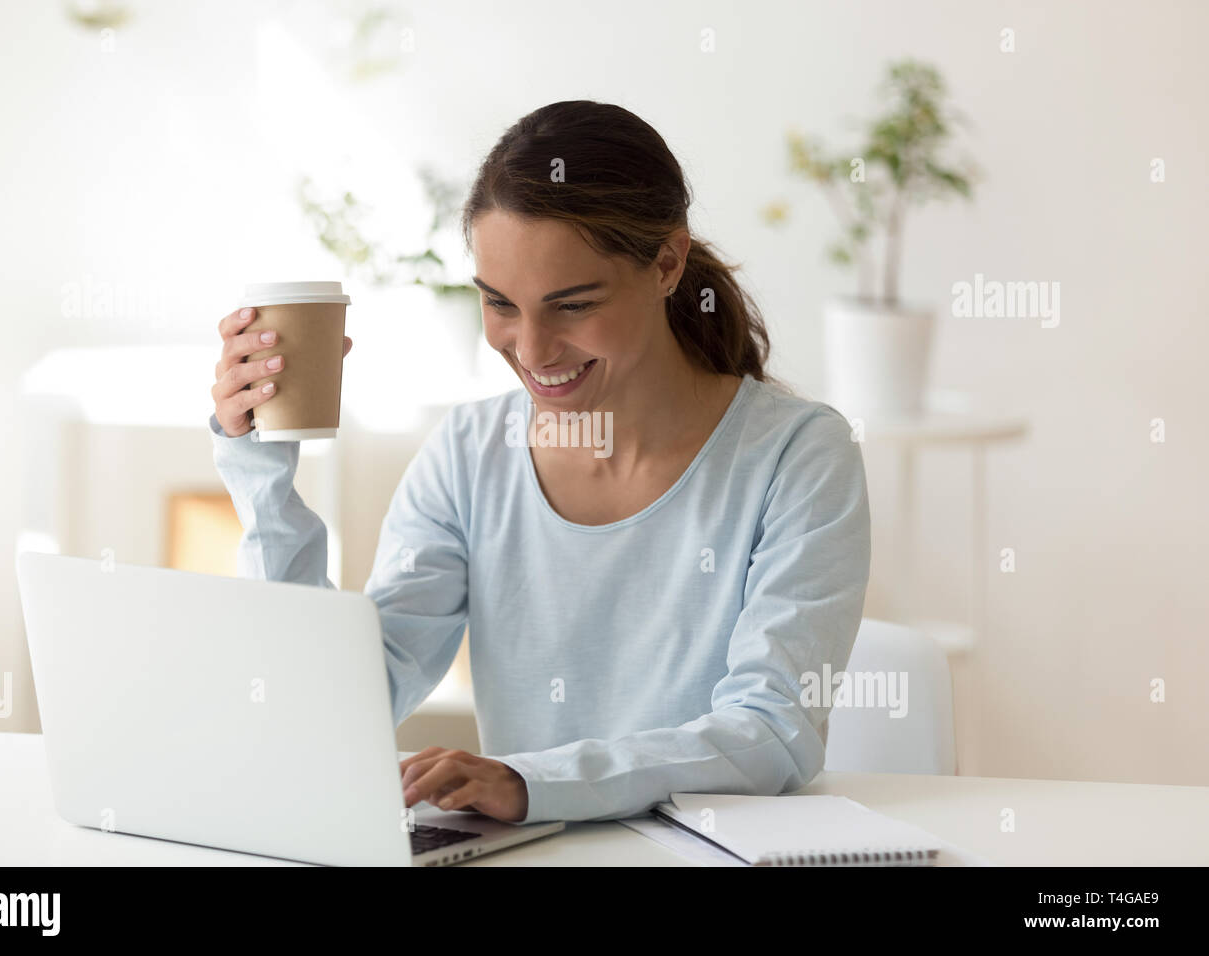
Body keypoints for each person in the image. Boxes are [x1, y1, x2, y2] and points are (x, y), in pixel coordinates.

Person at [208, 100, 871, 825]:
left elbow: (772, 731)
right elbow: (336, 701)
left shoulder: (797, 457)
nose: (530, 351)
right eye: (500, 305)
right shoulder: (468, 456)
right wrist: (258, 466)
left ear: (668, 264)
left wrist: (529, 783)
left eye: (572, 306)